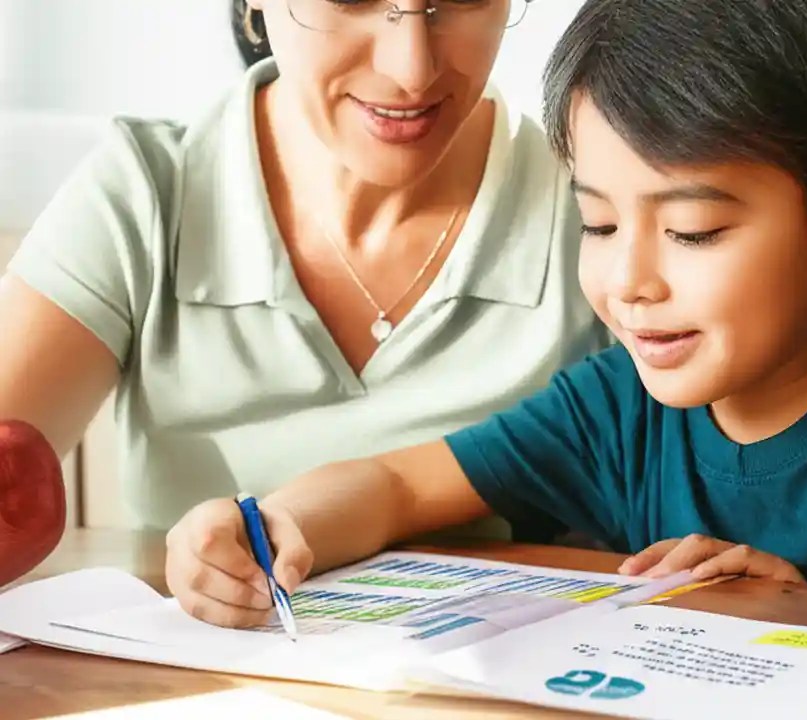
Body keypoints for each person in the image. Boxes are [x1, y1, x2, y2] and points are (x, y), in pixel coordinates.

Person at [162, 0, 807, 630]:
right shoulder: (616, 409)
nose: (629, 280)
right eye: (597, 221)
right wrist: (276, 526)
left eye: (693, 230)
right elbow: (400, 487)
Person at [0, 0, 608, 557]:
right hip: (185, 668)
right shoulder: (147, 195)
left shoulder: (605, 215)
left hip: (490, 670)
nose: (412, 69)